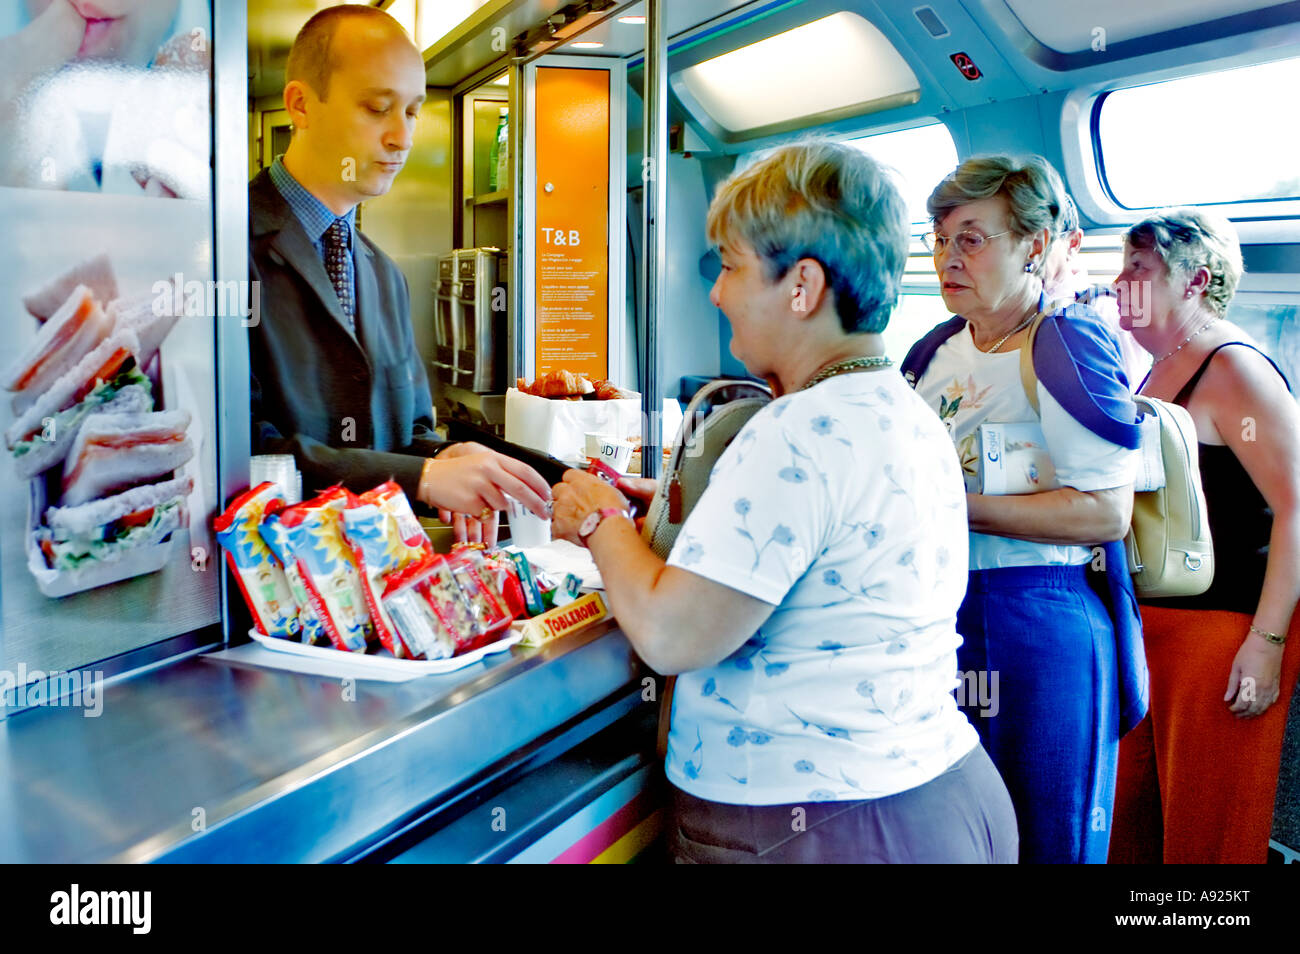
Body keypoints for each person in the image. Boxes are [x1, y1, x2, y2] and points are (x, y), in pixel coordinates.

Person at [550, 141, 1018, 863]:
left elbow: (673, 635)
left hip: (824, 828)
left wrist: (597, 519)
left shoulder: (796, 432)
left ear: (802, 285)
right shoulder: (904, 409)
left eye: (730, 267)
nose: (716, 292)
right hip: (944, 796)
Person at [900, 154, 1145, 864]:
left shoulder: (1062, 343)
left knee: (1047, 839)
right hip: (945, 614)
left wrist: (956, 507)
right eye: (939, 239)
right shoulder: (935, 351)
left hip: (1041, 618)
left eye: (971, 239)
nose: (948, 256)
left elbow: (1106, 513)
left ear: (1035, 246)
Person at [248, 6, 549, 543]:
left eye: (411, 112)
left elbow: (405, 433)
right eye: (376, 108)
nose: (401, 138)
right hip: (261, 591)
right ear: (301, 105)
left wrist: (448, 456)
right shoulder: (224, 248)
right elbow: (242, 447)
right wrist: (424, 477)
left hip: (371, 583)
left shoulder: (383, 275)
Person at [1108, 209, 1300, 864]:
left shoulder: (1232, 370)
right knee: (1131, 826)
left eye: (1139, 268)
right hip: (1150, 625)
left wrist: (1267, 644)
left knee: (1206, 837)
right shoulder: (1160, 366)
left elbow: (1297, 506)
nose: (1119, 280)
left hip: (1220, 632)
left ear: (1195, 280)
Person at [1041, 194, 1150, 388]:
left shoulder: (1106, 312)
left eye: (1040, 241)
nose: (1027, 254)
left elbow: (1130, 397)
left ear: (1073, 243)